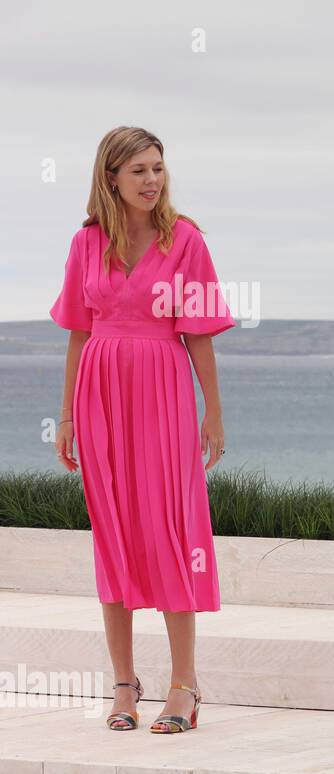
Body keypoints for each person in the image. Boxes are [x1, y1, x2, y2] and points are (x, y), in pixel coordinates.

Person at [51, 126, 234, 733]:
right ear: (112, 178)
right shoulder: (87, 242)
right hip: (99, 390)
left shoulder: (184, 240)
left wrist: (212, 410)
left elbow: (198, 332)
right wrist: (70, 415)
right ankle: (124, 685)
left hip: (162, 390)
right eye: (140, 171)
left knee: (171, 528)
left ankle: (185, 684)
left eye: (159, 168)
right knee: (113, 533)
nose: (153, 180)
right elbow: (80, 329)